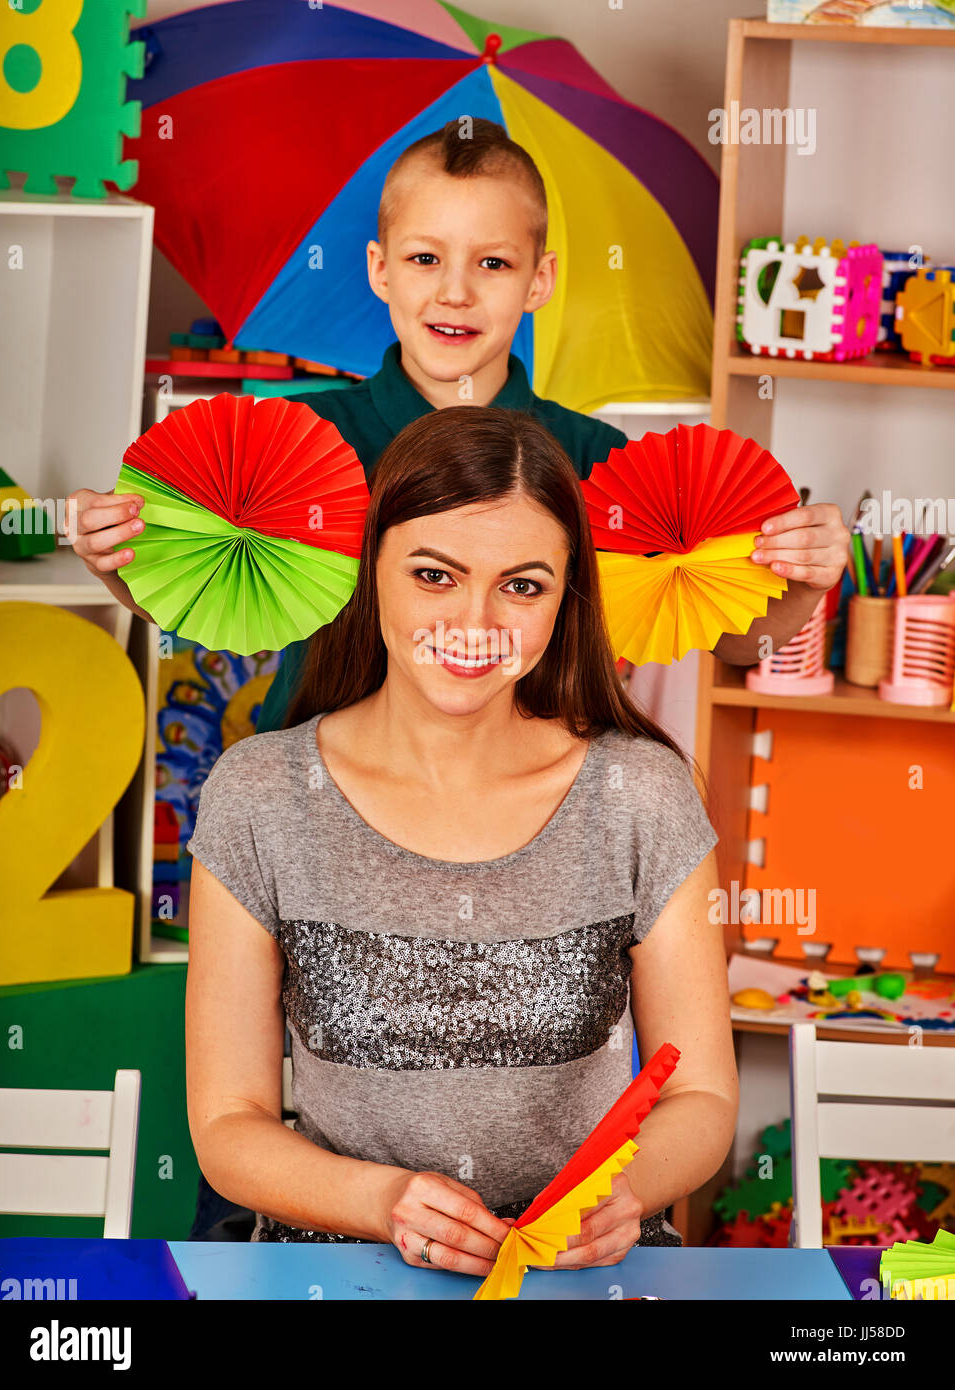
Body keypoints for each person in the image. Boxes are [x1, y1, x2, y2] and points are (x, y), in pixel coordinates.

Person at [64, 117, 848, 1239]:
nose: (457, 290)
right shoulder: (292, 446)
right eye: (427, 257)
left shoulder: (603, 468)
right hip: (335, 826)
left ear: (540, 281)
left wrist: (799, 588)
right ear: (379, 270)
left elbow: (719, 628)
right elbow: (205, 599)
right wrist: (126, 566)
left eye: (492, 262)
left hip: (554, 837)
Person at [185, 403, 739, 1274]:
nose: (474, 623)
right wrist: (380, 1201)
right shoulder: (260, 794)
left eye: (522, 586)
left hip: (582, 1273)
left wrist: (622, 1193)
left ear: (565, 599)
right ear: (372, 572)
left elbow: (701, 1096)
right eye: (434, 576)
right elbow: (227, 1125)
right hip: (337, 1269)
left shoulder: (640, 792)